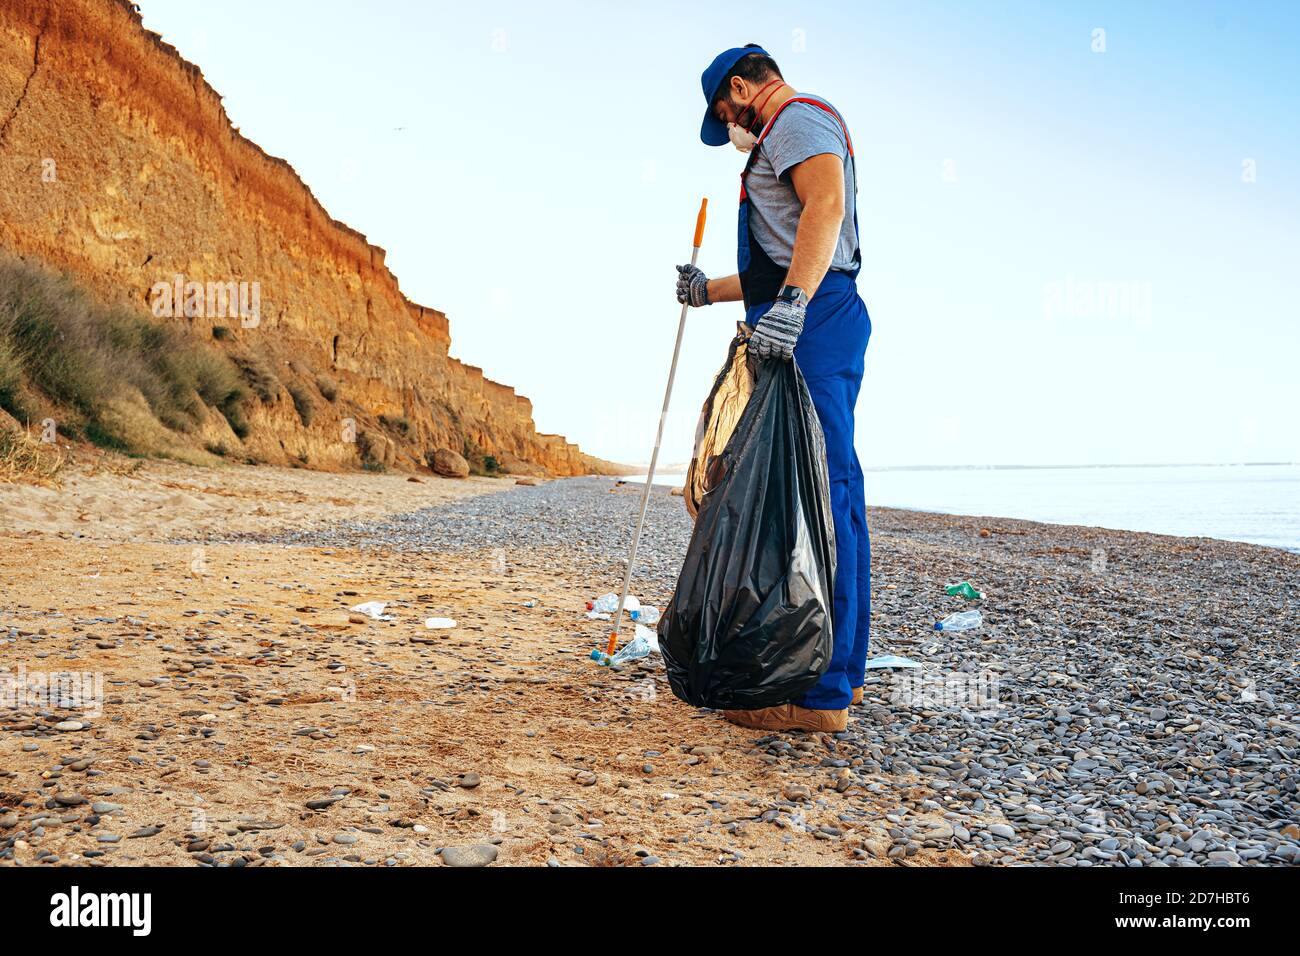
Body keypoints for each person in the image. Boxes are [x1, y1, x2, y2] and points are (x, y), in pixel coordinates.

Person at [676, 44, 872, 733]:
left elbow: (825, 207)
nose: (729, 128)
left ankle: (825, 697)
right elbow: (782, 255)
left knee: (827, 494)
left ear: (740, 89)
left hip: (816, 321)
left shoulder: (796, 118)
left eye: (725, 114)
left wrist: (792, 305)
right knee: (785, 498)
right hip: (794, 316)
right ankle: (785, 667)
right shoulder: (775, 141)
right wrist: (708, 293)